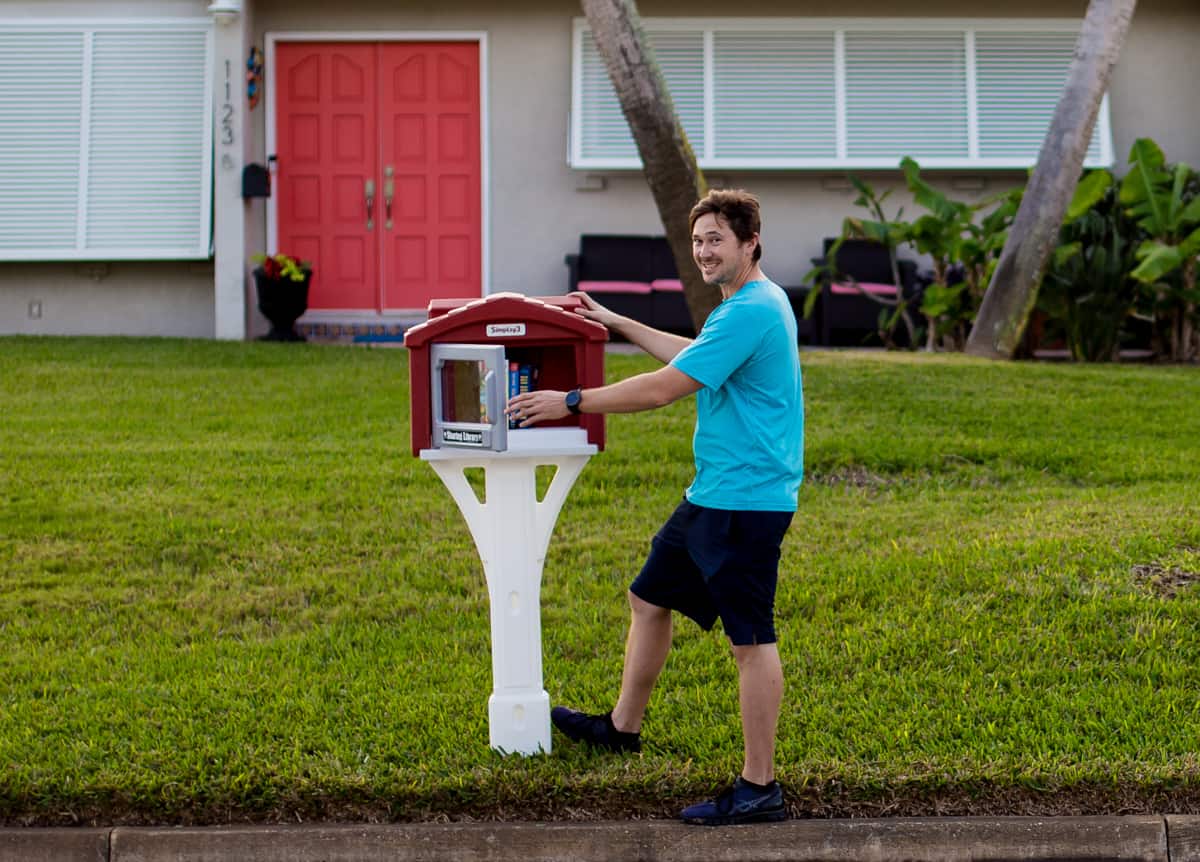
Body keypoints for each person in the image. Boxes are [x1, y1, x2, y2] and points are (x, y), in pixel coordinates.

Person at [506, 189, 804, 826]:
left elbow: (667, 387)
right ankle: (622, 728)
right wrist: (616, 321)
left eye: (716, 239)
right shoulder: (743, 306)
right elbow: (688, 354)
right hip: (714, 494)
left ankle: (759, 788)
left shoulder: (752, 310)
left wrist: (574, 400)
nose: (704, 251)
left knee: (750, 640)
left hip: (746, 504)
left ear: (751, 242)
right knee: (649, 597)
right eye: (698, 241)